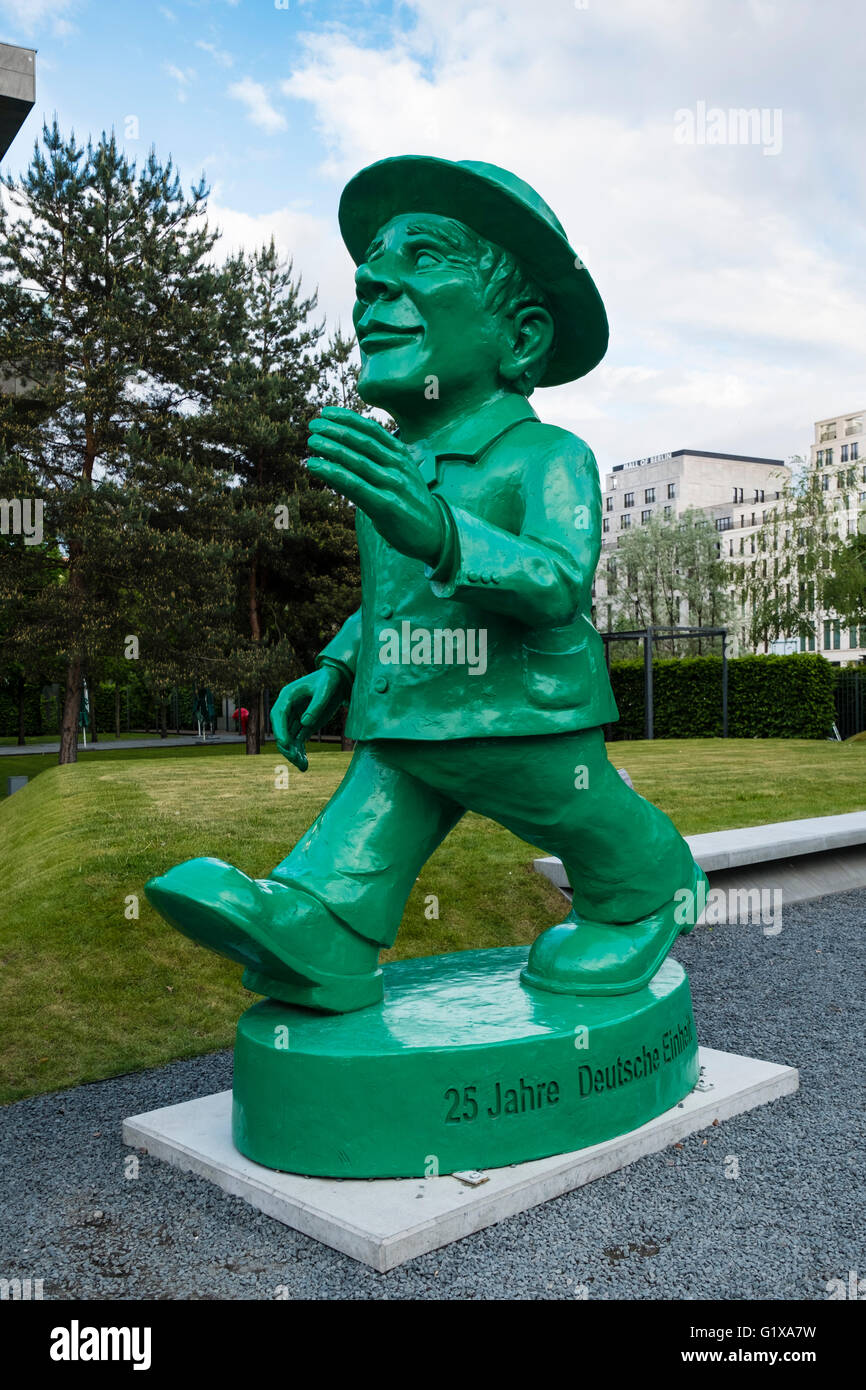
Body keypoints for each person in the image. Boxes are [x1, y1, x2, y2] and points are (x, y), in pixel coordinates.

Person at [146, 156, 704, 1014]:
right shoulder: (397, 467)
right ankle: (323, 928)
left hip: (519, 708)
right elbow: (393, 598)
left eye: (426, 256)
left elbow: (556, 582)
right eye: (370, 267)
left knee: (576, 810)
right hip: (407, 708)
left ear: (519, 336)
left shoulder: (547, 457)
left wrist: (439, 528)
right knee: (387, 789)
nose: (370, 280)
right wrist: (334, 668)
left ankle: (650, 889)